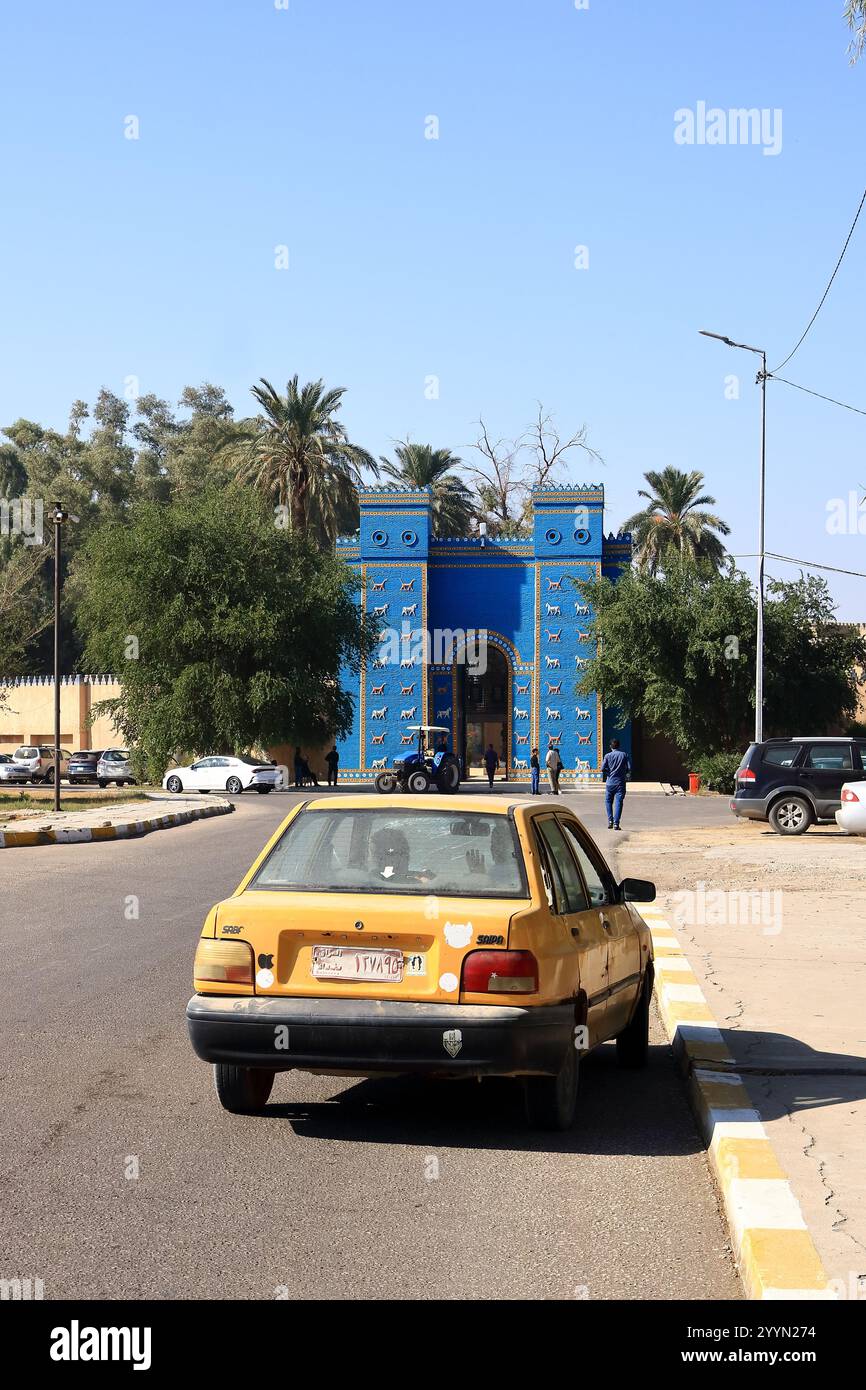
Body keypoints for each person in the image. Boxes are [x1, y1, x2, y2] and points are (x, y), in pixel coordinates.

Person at [601, 737, 631, 829]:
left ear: (611, 746)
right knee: (618, 802)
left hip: (610, 783)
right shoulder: (624, 755)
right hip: (620, 783)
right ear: (619, 746)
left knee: (608, 801)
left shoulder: (607, 756)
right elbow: (629, 768)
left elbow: (602, 769)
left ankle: (610, 821)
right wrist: (623, 773)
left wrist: (609, 774)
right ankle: (616, 824)